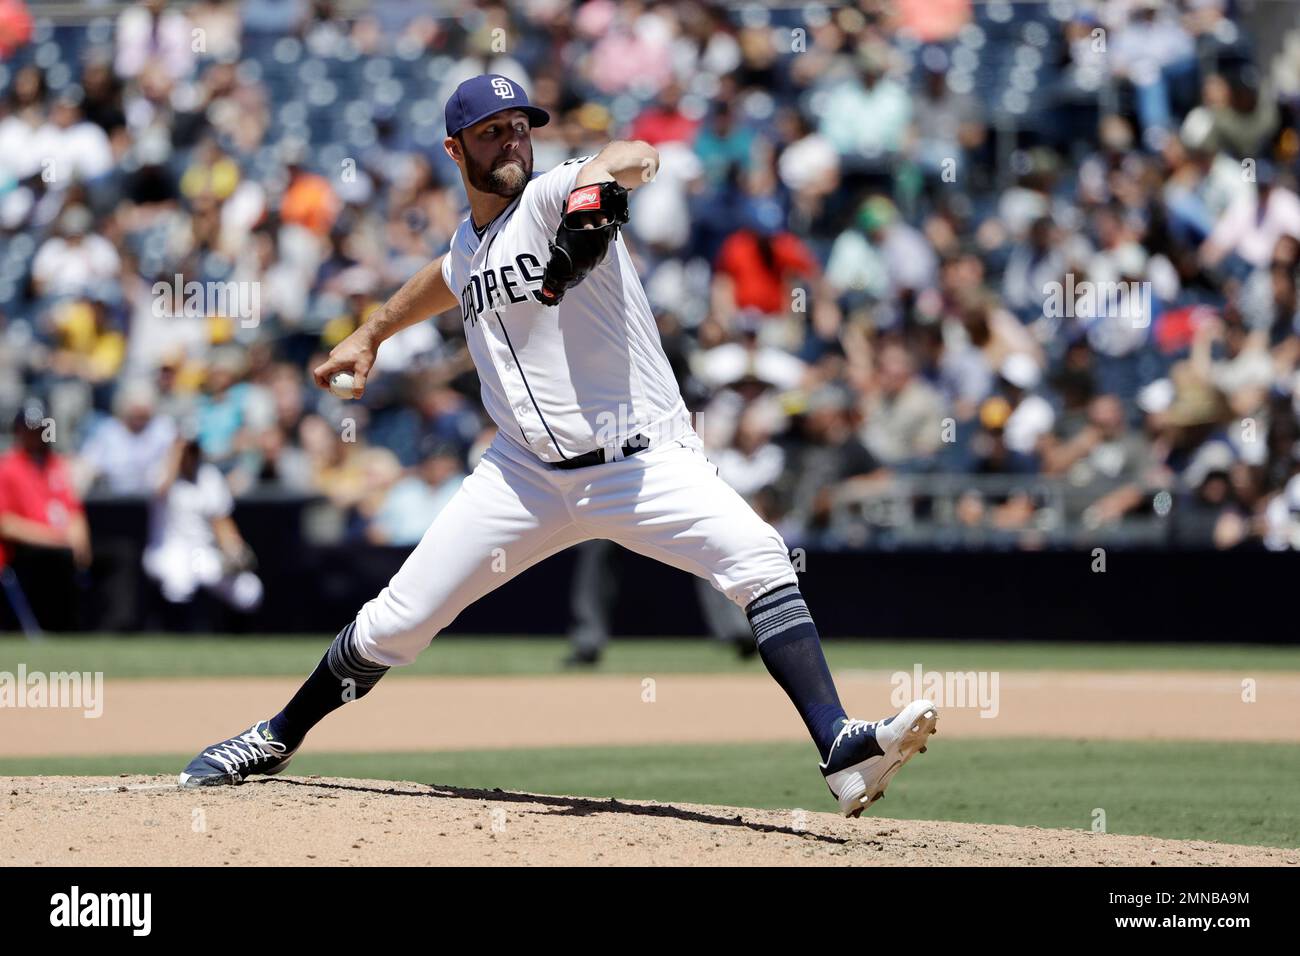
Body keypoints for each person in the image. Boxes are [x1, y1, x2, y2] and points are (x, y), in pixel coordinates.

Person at [176, 74, 937, 817]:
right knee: (393, 624)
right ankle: (275, 737)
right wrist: (372, 332)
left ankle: (839, 745)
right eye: (491, 132)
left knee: (762, 558)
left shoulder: (552, 194)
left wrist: (592, 191)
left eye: (519, 127)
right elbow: (445, 276)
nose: (512, 140)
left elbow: (632, 156)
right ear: (454, 149)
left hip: (640, 462)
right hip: (523, 477)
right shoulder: (469, 247)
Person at [143, 437, 263, 619]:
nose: (188, 455)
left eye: (192, 449)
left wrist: (233, 547)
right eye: (184, 449)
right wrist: (175, 454)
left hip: (201, 551)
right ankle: (174, 635)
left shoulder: (209, 476)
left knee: (249, 591)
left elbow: (221, 520)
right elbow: (160, 491)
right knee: (179, 581)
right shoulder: (160, 471)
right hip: (167, 549)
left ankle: (230, 633)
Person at [0, 400, 91, 631]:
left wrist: (79, 539)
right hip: (22, 555)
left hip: (58, 554)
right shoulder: (7, 468)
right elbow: (6, 524)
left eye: (40, 429)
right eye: (30, 429)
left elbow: (73, 510)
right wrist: (57, 538)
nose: (35, 435)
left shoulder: (55, 465)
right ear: (19, 431)